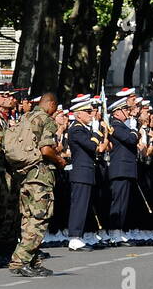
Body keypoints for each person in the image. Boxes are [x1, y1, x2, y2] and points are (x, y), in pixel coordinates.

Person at [8, 92, 63, 276]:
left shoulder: (26, 116)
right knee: (39, 219)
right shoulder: (45, 119)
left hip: (25, 174)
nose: (55, 111)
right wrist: (59, 160)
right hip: (40, 176)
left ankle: (34, 260)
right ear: (51, 104)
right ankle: (20, 260)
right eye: (55, 107)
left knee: (27, 219)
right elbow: (46, 150)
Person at [66, 96, 106, 252]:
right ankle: (74, 238)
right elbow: (91, 146)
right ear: (78, 114)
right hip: (80, 172)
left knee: (84, 205)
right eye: (87, 111)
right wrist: (96, 132)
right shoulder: (76, 129)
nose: (91, 114)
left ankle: (80, 235)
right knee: (79, 205)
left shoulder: (83, 129)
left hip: (86, 172)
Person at [105, 93, 139, 246]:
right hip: (120, 169)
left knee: (123, 202)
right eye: (124, 109)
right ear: (117, 112)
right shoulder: (115, 126)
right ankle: (114, 232)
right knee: (118, 202)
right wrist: (133, 128)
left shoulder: (122, 126)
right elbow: (131, 139)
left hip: (126, 169)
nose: (128, 111)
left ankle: (119, 230)